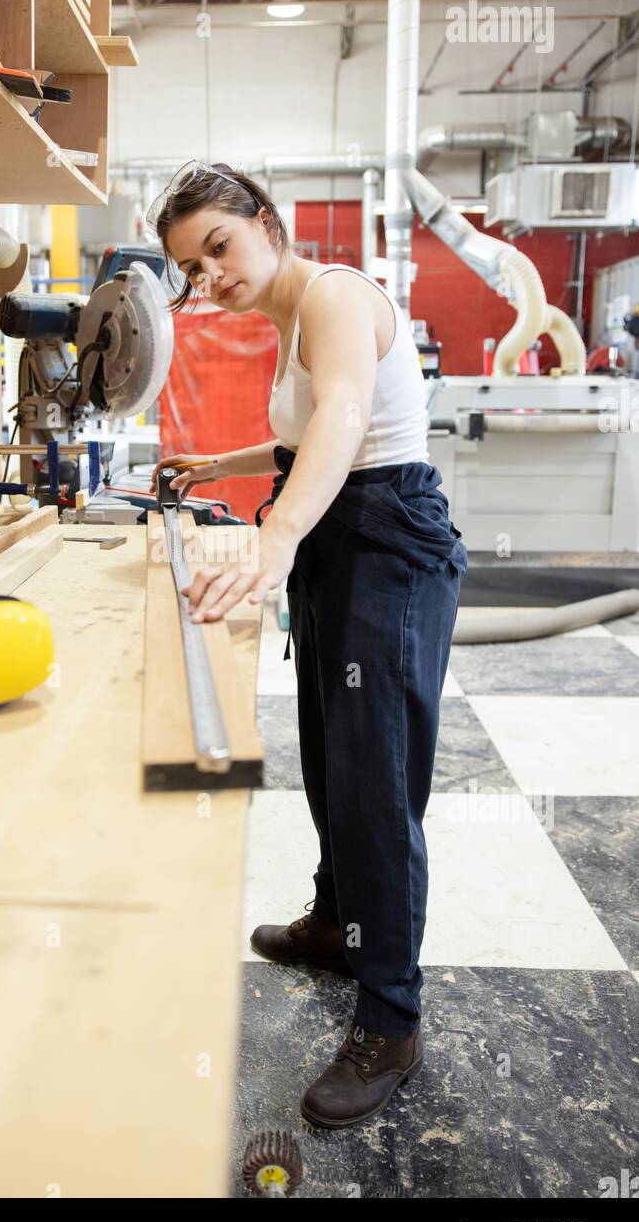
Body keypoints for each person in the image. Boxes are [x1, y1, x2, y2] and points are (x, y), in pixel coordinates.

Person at [147, 160, 468, 1128]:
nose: (209, 278)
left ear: (268, 222)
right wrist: (227, 463)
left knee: (376, 782)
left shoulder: (333, 295)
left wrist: (276, 535)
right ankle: (338, 922)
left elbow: (347, 417)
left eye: (218, 247)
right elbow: (302, 439)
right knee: (333, 758)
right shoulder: (290, 317)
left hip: (387, 542)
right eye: (191, 270)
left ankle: (392, 1018)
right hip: (340, 534)